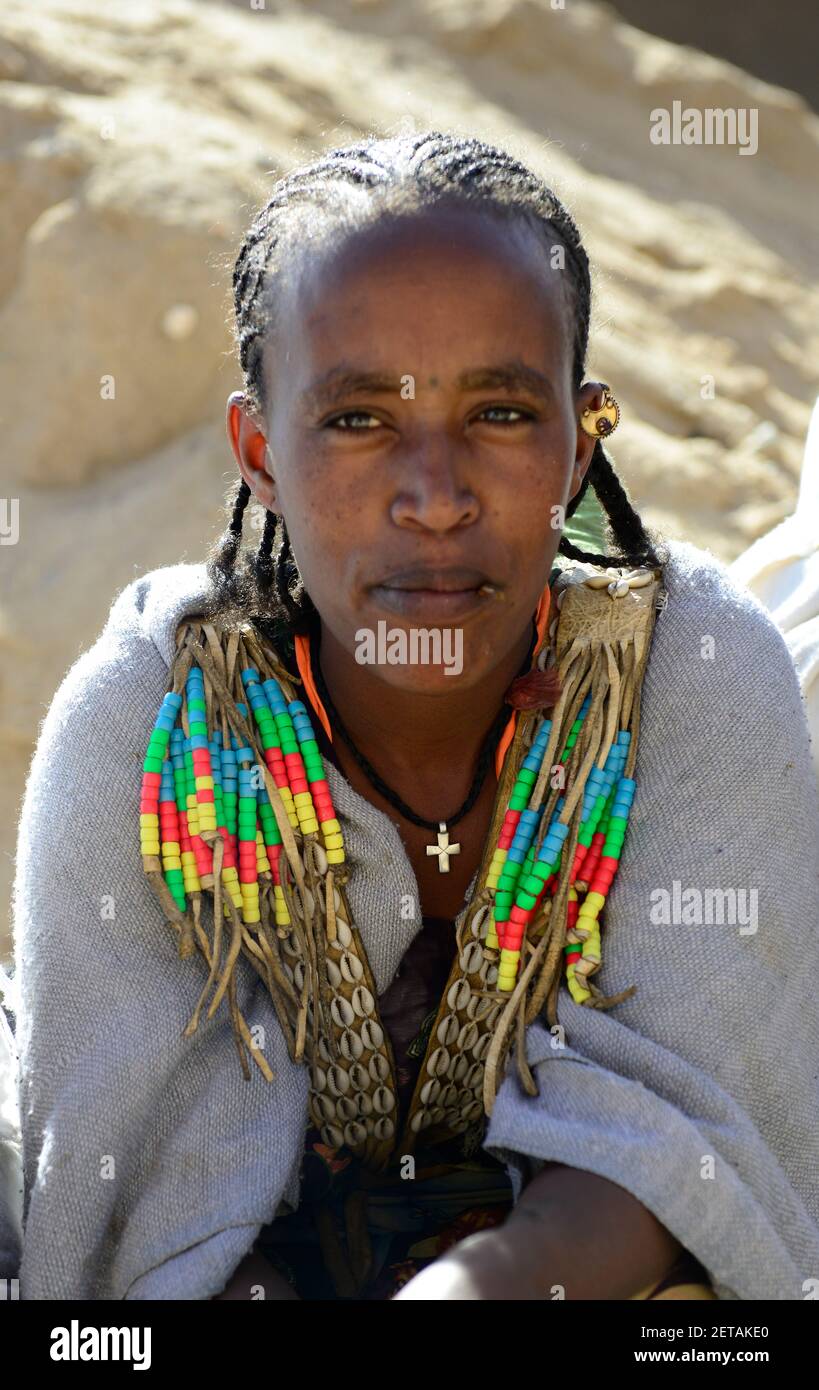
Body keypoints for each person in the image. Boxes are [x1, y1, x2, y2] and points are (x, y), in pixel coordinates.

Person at [12, 131, 819, 1301]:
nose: (435, 496)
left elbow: (699, 1149)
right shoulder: (154, 723)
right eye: (357, 420)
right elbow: (134, 1219)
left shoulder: (686, 672)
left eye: (499, 413)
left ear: (581, 448)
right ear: (259, 454)